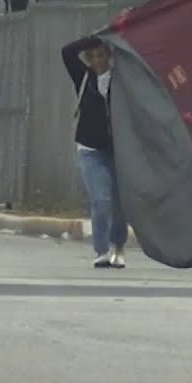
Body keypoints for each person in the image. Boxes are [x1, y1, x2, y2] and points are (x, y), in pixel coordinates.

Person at [61, 34, 128, 269]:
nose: (99, 61)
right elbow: (67, 52)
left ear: (110, 56)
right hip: (90, 148)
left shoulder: (121, 79)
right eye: (94, 56)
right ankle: (101, 250)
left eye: (103, 55)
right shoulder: (84, 76)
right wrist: (94, 38)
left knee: (120, 203)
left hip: (119, 149)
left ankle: (118, 248)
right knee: (101, 200)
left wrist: (116, 37)